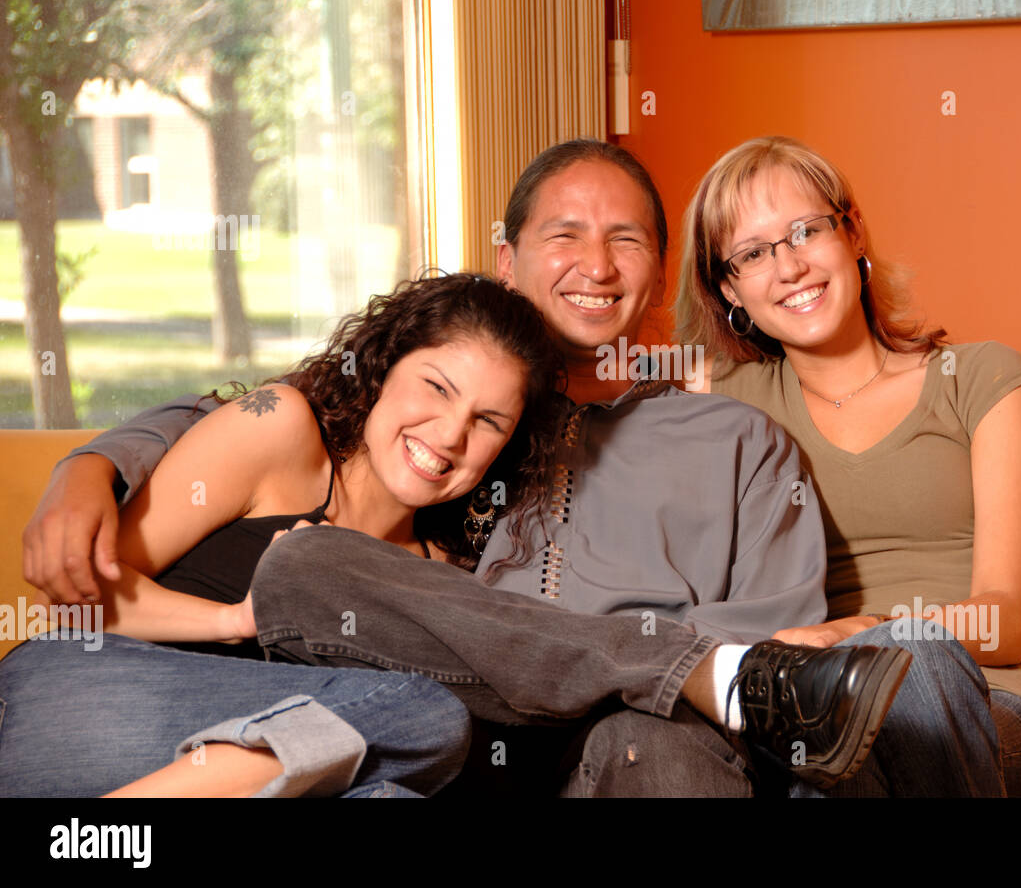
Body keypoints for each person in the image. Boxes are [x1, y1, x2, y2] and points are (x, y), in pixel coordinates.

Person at [17, 141, 912, 797]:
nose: (449, 433)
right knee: (389, 675)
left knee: (408, 753)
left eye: (488, 420)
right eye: (565, 233)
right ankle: (710, 671)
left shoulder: (457, 538)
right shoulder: (295, 423)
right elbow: (212, 422)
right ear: (507, 259)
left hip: (313, 741)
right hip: (87, 694)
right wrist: (93, 468)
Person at [2, 272, 569, 796]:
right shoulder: (281, 428)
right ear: (383, 368)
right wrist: (237, 621)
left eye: (488, 421)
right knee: (423, 714)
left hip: (205, 776)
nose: (450, 435)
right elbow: (74, 607)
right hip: (63, 703)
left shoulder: (445, 569)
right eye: (437, 388)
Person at [675, 135, 1021, 797]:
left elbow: (1004, 619)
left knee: (908, 682)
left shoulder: (981, 378)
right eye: (752, 253)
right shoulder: (716, 397)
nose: (790, 265)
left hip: (982, 703)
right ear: (728, 286)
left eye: (804, 231)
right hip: (813, 705)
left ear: (852, 231)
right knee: (820, 749)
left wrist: (865, 636)